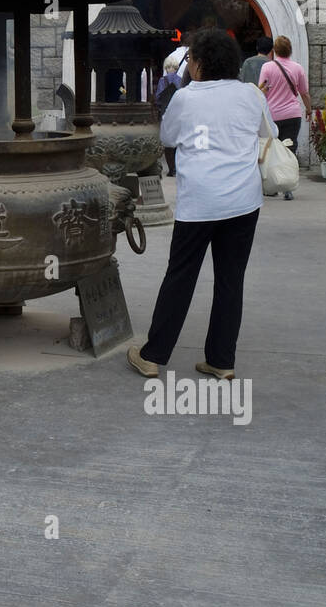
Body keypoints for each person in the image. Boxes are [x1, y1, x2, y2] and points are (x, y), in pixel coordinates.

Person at [128, 28, 278, 382]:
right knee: (230, 279)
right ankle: (222, 360)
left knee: (180, 276)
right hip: (243, 201)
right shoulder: (250, 95)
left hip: (199, 202)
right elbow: (267, 133)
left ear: (197, 64)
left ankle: (153, 356)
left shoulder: (185, 97)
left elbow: (168, 137)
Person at [258, 34, 312, 200]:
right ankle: (288, 187)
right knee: (289, 149)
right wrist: (309, 110)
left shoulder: (267, 68)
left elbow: (261, 91)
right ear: (290, 51)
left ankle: (273, 186)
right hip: (292, 114)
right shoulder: (297, 68)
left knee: (272, 150)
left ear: (275, 50)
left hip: (272, 115)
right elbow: (304, 93)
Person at [154, 54, 184, 176]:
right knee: (178, 141)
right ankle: (177, 167)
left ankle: (172, 170)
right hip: (179, 114)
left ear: (166, 67)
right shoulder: (180, 80)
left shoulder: (163, 80)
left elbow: (158, 98)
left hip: (166, 113)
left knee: (168, 143)